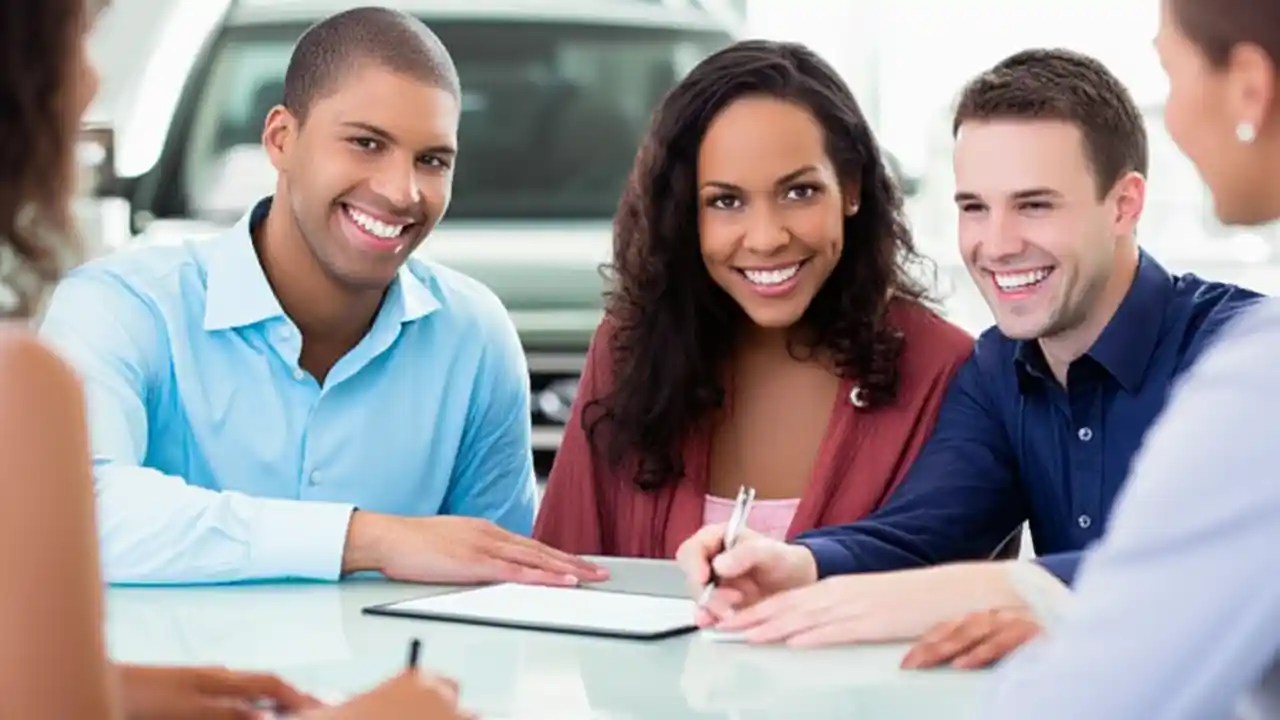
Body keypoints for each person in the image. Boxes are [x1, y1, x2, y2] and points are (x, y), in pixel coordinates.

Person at [677, 47, 1265, 655]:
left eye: (1034, 205)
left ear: (1124, 205)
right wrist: (797, 564)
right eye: (974, 208)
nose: (997, 244)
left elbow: (1210, 565)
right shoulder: (997, 370)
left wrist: (1021, 590)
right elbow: (927, 532)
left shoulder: (1243, 355)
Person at [0, 0, 469, 716]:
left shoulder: (473, 333)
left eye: (432, 158)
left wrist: (123, 692)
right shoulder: (36, 372)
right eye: (79, 41)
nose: (93, 80)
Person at [37, 6, 605, 587]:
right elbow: (69, 517)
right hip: (168, 679)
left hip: (397, 680)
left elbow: (497, 578)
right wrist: (370, 539)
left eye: (432, 160)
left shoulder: (474, 336)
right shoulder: (124, 307)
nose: (402, 191)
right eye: (365, 143)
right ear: (281, 139)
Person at [532, 40, 974, 557]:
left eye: (799, 192)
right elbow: (563, 577)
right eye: (725, 201)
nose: (765, 238)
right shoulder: (628, 350)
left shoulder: (944, 371)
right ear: (684, 215)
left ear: (850, 187)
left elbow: (960, 601)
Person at [985, 0, 1280, 716]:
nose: (1171, 120)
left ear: (1248, 87)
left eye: (1171, 75)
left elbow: (1100, 700)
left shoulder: (1255, 381)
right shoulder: (997, 365)